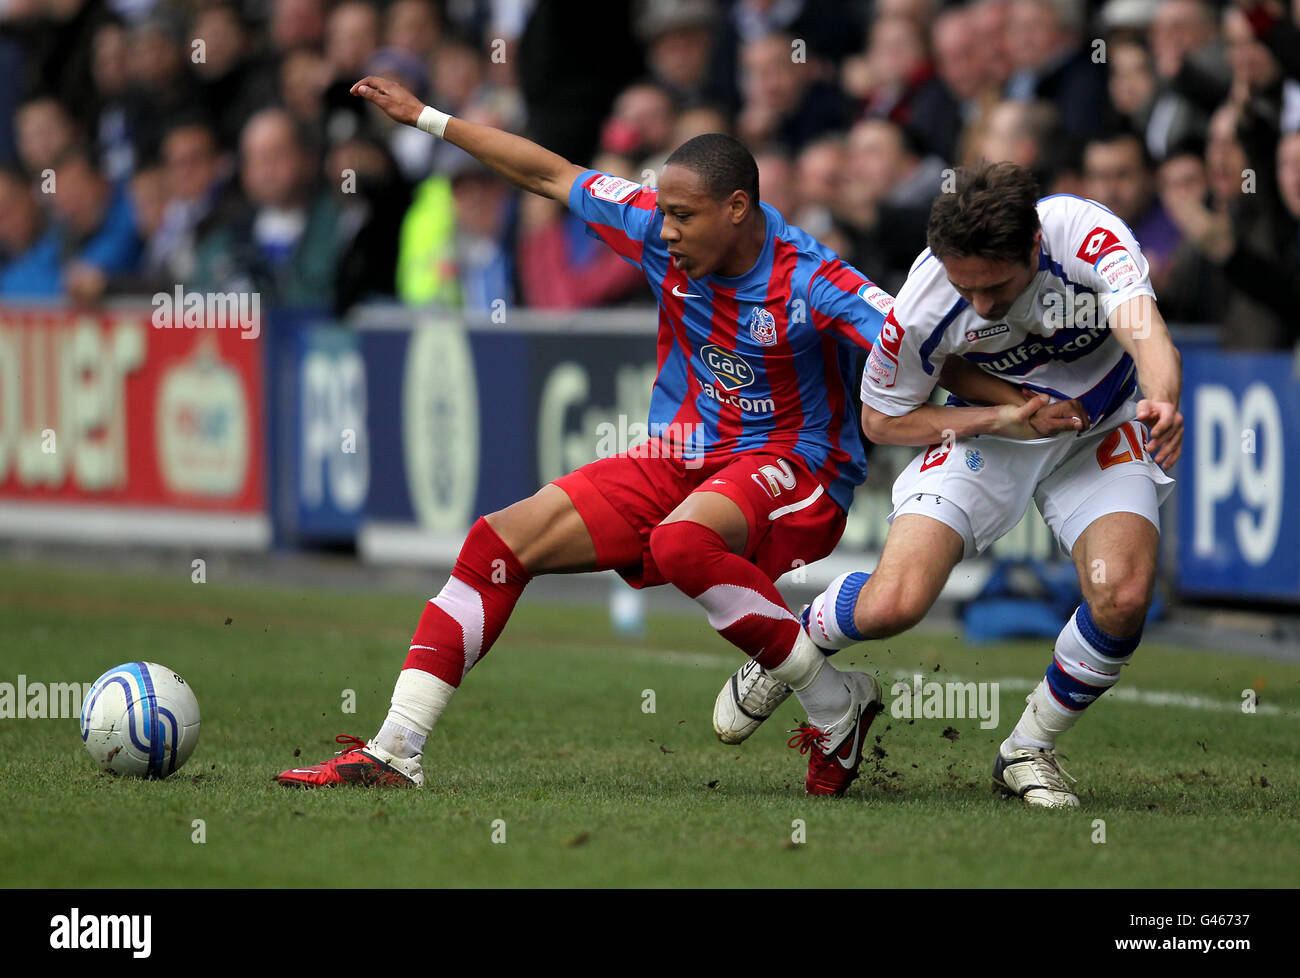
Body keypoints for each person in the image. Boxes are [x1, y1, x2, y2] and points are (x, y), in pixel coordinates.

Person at [277, 77, 1087, 797]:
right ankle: (395, 750)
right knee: (497, 542)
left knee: (679, 547)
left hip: (798, 466)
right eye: (661, 212)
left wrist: (1018, 404)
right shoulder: (654, 225)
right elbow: (546, 172)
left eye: (682, 216)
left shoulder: (815, 281)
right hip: (683, 453)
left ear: (738, 209)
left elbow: (926, 352)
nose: (662, 231)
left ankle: (833, 707)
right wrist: (425, 116)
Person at [712, 162, 1184, 809]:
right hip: (994, 434)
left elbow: (1146, 333)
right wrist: (1005, 414)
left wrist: (1162, 400)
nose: (980, 303)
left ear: (1035, 247)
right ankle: (793, 644)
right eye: (967, 288)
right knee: (893, 604)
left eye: (996, 287)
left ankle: (1026, 750)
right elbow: (880, 417)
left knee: (1123, 595)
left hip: (1096, 429)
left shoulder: (1085, 236)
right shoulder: (923, 301)